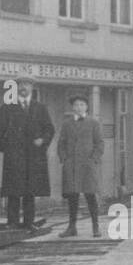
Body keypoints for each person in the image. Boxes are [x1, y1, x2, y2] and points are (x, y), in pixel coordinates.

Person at [0, 77, 55, 229]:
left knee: (30, 190)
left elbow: (49, 129)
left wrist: (42, 141)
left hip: (33, 156)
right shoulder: (7, 107)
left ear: (32, 88)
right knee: (13, 191)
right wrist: (6, 148)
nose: (23, 88)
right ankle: (12, 222)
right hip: (14, 156)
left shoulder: (40, 108)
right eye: (20, 85)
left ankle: (29, 222)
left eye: (26, 85)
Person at [56, 94, 104, 238]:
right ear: (72, 107)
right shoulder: (66, 123)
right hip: (71, 165)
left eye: (82, 105)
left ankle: (95, 227)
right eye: (76, 105)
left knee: (90, 195)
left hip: (87, 165)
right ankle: (72, 227)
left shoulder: (94, 123)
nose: (79, 107)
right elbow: (61, 143)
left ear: (87, 107)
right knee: (72, 197)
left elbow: (100, 143)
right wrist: (64, 159)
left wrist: (93, 159)